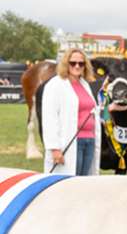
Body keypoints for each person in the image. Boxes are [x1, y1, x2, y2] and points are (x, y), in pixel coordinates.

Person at [41, 48, 101, 176]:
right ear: (66, 64)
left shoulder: (85, 84)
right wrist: (55, 148)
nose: (77, 66)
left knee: (84, 182)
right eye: (73, 63)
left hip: (89, 140)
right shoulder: (55, 85)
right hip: (70, 142)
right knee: (70, 182)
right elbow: (49, 118)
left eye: (81, 63)